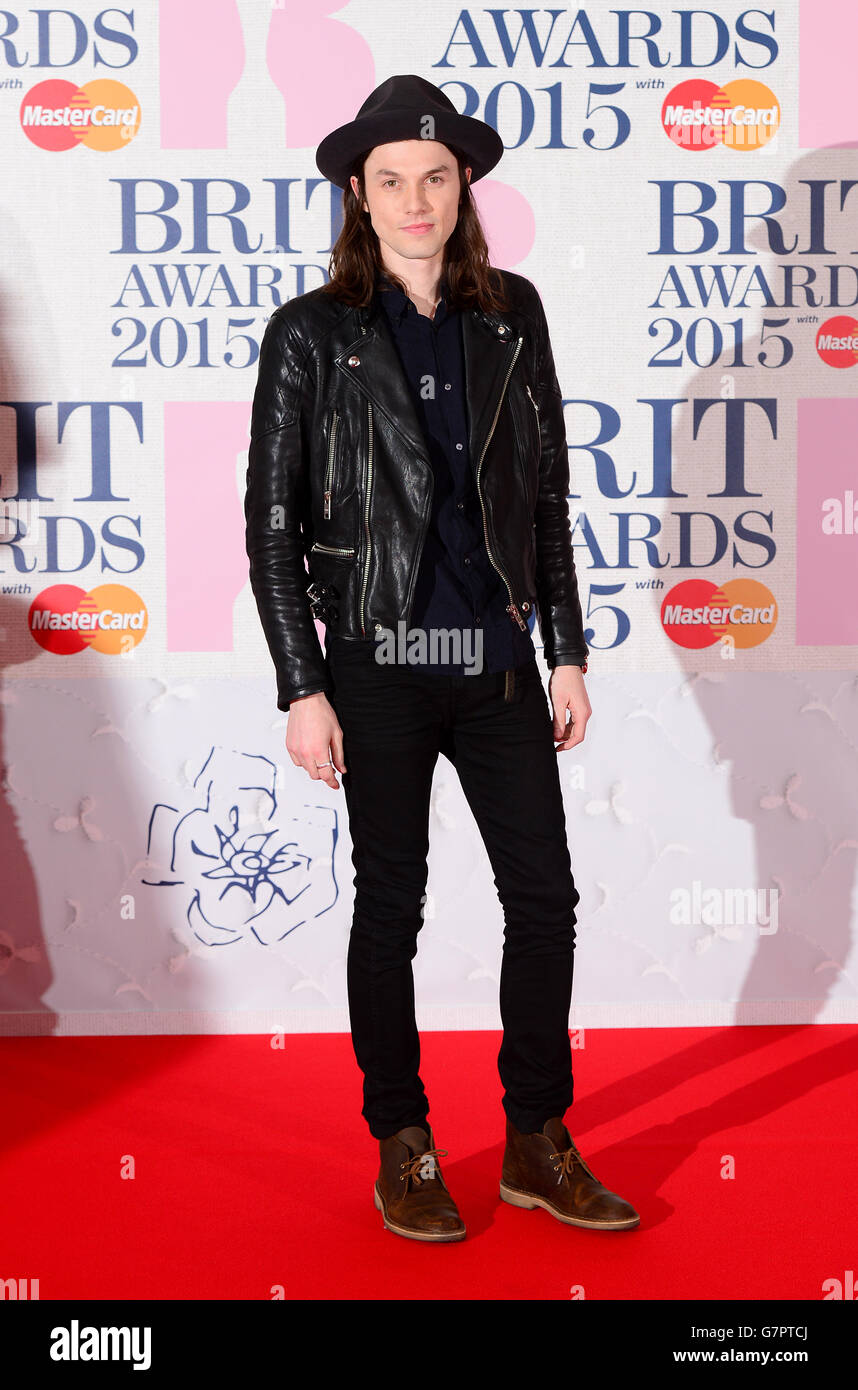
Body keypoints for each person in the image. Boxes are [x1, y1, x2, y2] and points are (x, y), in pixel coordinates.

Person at [245, 74, 639, 1241]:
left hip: (499, 658)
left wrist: (564, 650)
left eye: (433, 177)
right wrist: (302, 684)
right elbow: (271, 521)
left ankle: (535, 1137)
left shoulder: (513, 314)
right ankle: (403, 1143)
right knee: (393, 907)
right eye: (389, 183)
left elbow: (549, 496)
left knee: (547, 899)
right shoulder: (313, 335)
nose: (414, 200)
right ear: (358, 201)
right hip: (373, 659)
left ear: (463, 187)